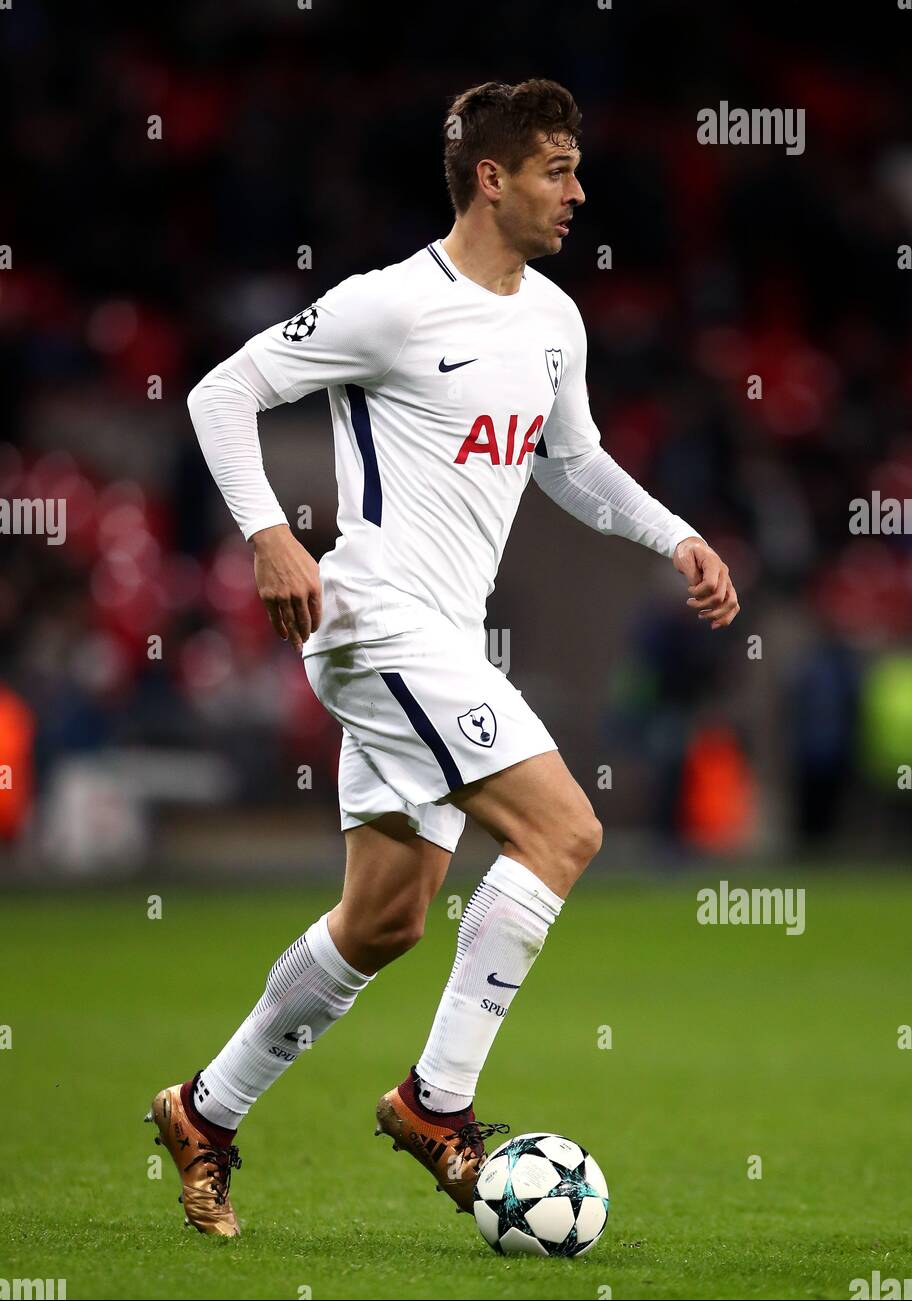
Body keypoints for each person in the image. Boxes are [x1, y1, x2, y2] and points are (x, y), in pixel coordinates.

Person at [147, 78, 739, 1236]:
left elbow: (568, 463)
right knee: (565, 828)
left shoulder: (553, 318)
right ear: (491, 178)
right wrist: (270, 532)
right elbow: (224, 394)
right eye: (558, 170)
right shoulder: (390, 306)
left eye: (575, 168)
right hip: (376, 623)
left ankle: (204, 1112)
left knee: (384, 921)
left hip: (443, 640)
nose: (578, 191)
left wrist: (675, 534)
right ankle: (438, 1104)